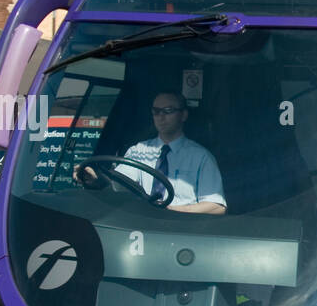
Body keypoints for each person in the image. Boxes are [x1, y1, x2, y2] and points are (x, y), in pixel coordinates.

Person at [79, 91, 227, 214]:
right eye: (156, 111)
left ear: (183, 115)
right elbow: (120, 184)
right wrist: (97, 179)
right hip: (143, 227)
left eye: (168, 111)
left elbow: (216, 206)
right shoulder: (138, 151)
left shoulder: (201, 157)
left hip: (183, 228)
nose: (160, 117)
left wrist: (173, 210)